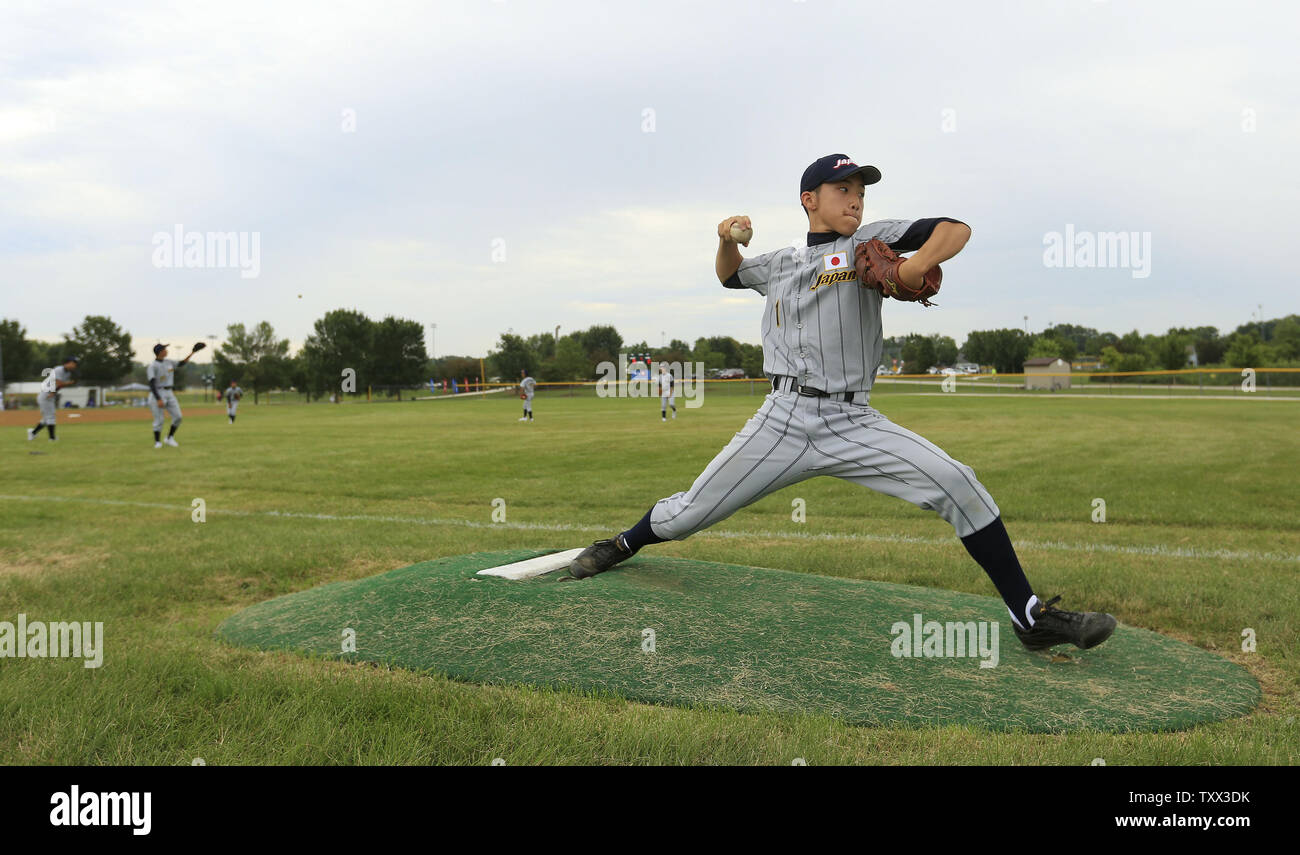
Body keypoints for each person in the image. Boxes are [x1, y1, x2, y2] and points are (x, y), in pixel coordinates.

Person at [566, 153, 1116, 652]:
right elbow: (731, 275)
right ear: (810, 199)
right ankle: (621, 543)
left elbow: (957, 228)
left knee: (959, 482)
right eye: (842, 188)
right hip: (780, 419)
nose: (855, 198)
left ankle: (1030, 618)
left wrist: (913, 265)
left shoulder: (867, 242)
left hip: (852, 419)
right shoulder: (779, 263)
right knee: (688, 515)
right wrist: (726, 237)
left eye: (860, 189)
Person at [147, 343, 192, 448]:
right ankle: (157, 442)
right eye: (164, 349)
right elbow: (152, 384)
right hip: (157, 392)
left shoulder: (169, 362)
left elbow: (181, 363)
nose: (166, 350)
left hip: (169, 392)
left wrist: (193, 352)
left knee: (178, 417)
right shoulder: (153, 366)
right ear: (160, 352)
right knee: (159, 419)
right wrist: (158, 399)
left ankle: (169, 438)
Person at [27, 356, 79, 442]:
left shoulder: (68, 373)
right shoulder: (59, 369)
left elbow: (59, 386)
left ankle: (32, 432)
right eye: (73, 363)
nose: (74, 365)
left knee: (46, 418)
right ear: (67, 363)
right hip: (45, 394)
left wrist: (53, 393)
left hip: (50, 395)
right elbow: (59, 382)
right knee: (50, 417)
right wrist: (71, 382)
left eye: (75, 364)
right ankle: (52, 438)